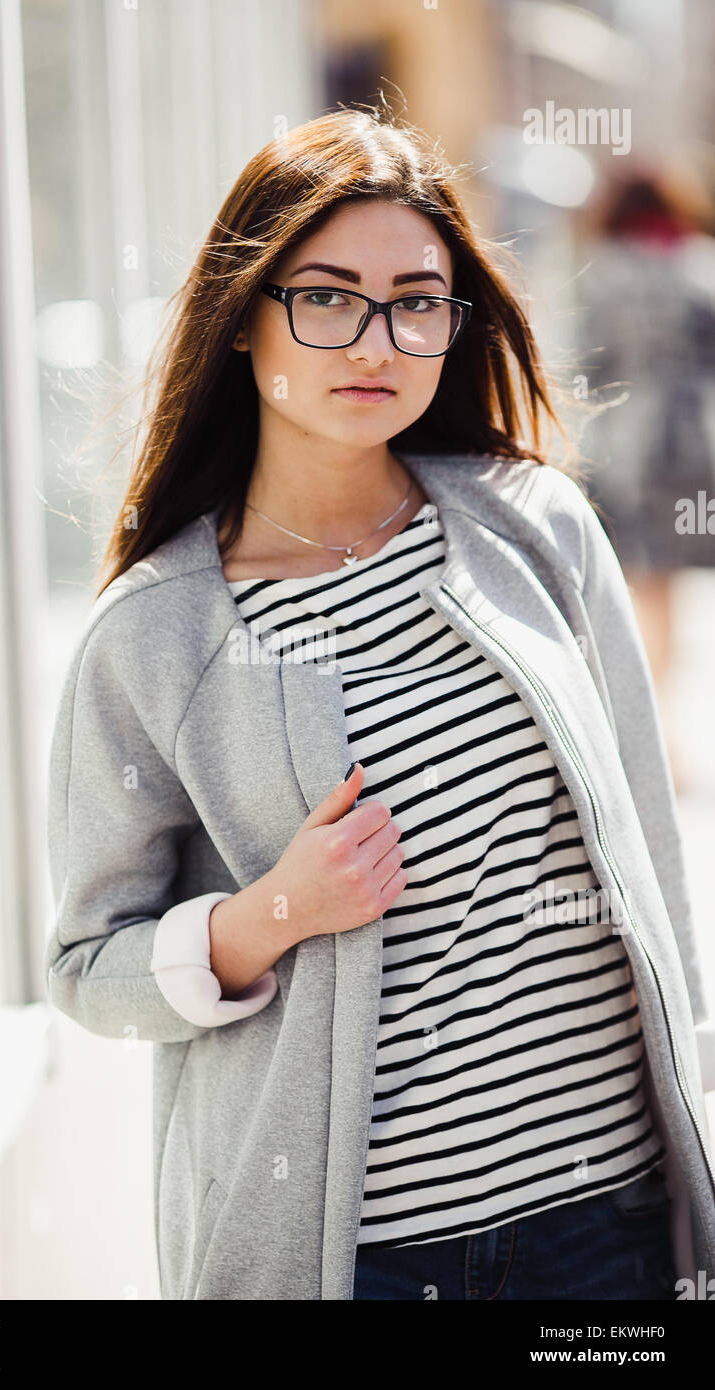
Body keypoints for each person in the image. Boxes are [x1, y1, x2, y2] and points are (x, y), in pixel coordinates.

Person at [44, 108, 715, 1301]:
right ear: (245, 316)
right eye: (327, 296)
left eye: (415, 300)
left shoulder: (538, 530)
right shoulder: (158, 634)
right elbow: (88, 967)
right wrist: (269, 915)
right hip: (356, 1260)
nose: (374, 339)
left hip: (602, 1230)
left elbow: (650, 865)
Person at [573, 168, 715, 792]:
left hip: (620, 450)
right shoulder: (699, 266)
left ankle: (642, 735)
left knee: (628, 588)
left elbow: (581, 364)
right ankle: (661, 738)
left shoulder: (598, 272)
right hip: (688, 449)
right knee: (666, 592)